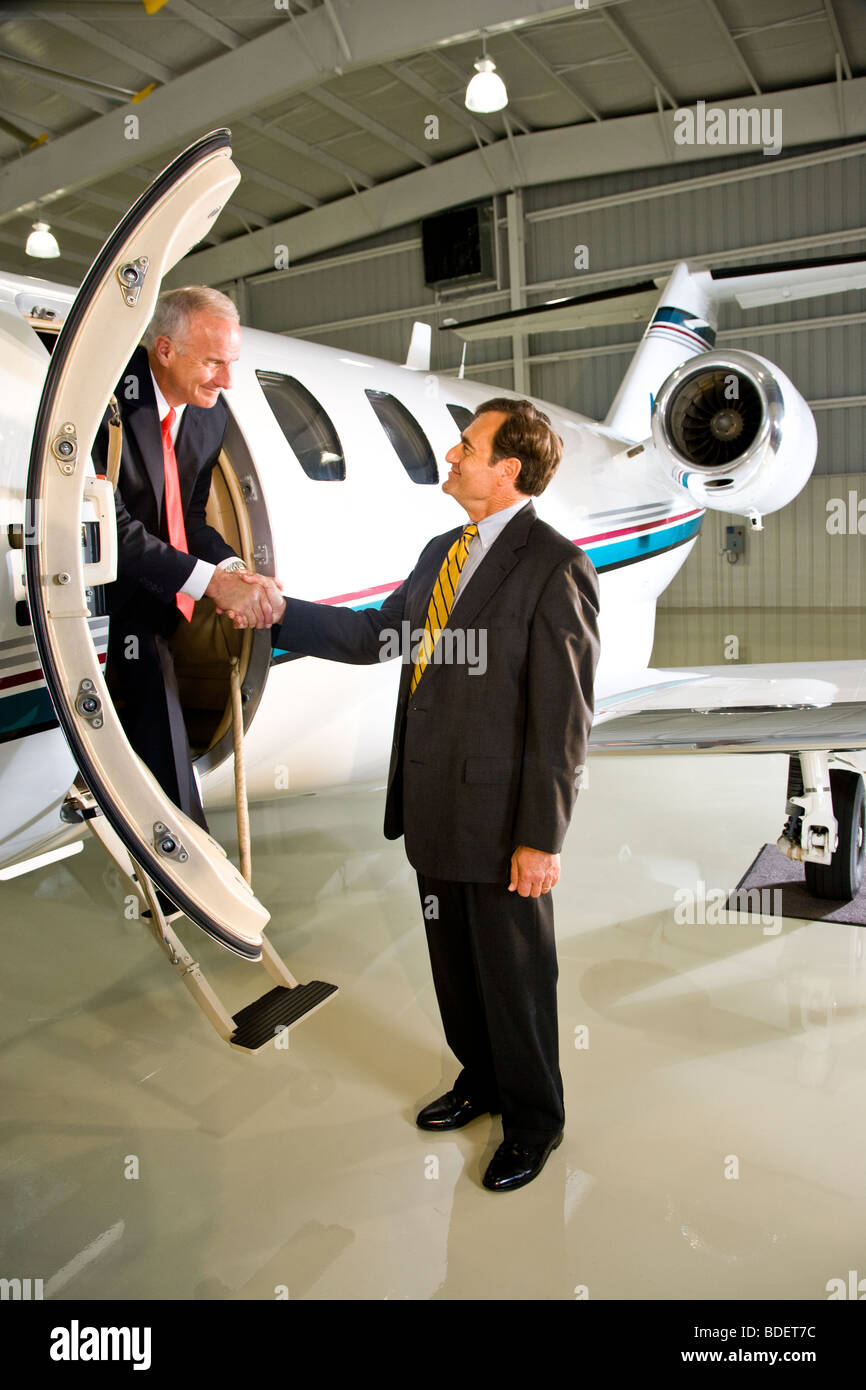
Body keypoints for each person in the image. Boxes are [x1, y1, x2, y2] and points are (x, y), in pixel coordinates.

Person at [239, 399, 600, 1191]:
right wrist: (279, 612)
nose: (453, 454)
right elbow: (380, 636)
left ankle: (534, 1122)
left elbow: (562, 718)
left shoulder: (554, 565)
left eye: (468, 446)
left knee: (515, 978)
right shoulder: (444, 551)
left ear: (507, 469)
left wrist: (541, 839)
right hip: (434, 804)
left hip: (503, 822)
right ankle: (481, 1080)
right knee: (457, 971)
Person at [92, 286, 282, 830]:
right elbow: (113, 529)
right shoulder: (105, 401)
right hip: (107, 601)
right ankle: (184, 851)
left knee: (161, 725)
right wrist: (213, 585)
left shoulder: (208, 416)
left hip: (158, 595)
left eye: (232, 363)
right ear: (165, 349)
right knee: (161, 724)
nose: (227, 381)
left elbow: (190, 519)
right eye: (214, 362)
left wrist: (233, 569)